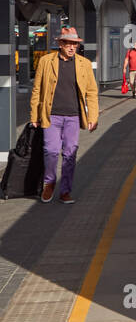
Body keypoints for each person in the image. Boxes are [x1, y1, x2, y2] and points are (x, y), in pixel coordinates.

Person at [30, 25, 99, 204]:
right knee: (51, 151)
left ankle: (65, 190)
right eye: (68, 43)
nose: (71, 47)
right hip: (51, 115)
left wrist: (93, 116)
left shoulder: (83, 64)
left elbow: (91, 91)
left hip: (73, 116)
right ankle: (49, 183)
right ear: (60, 43)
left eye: (74, 44)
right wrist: (34, 115)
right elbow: (37, 89)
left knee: (70, 153)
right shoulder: (46, 61)